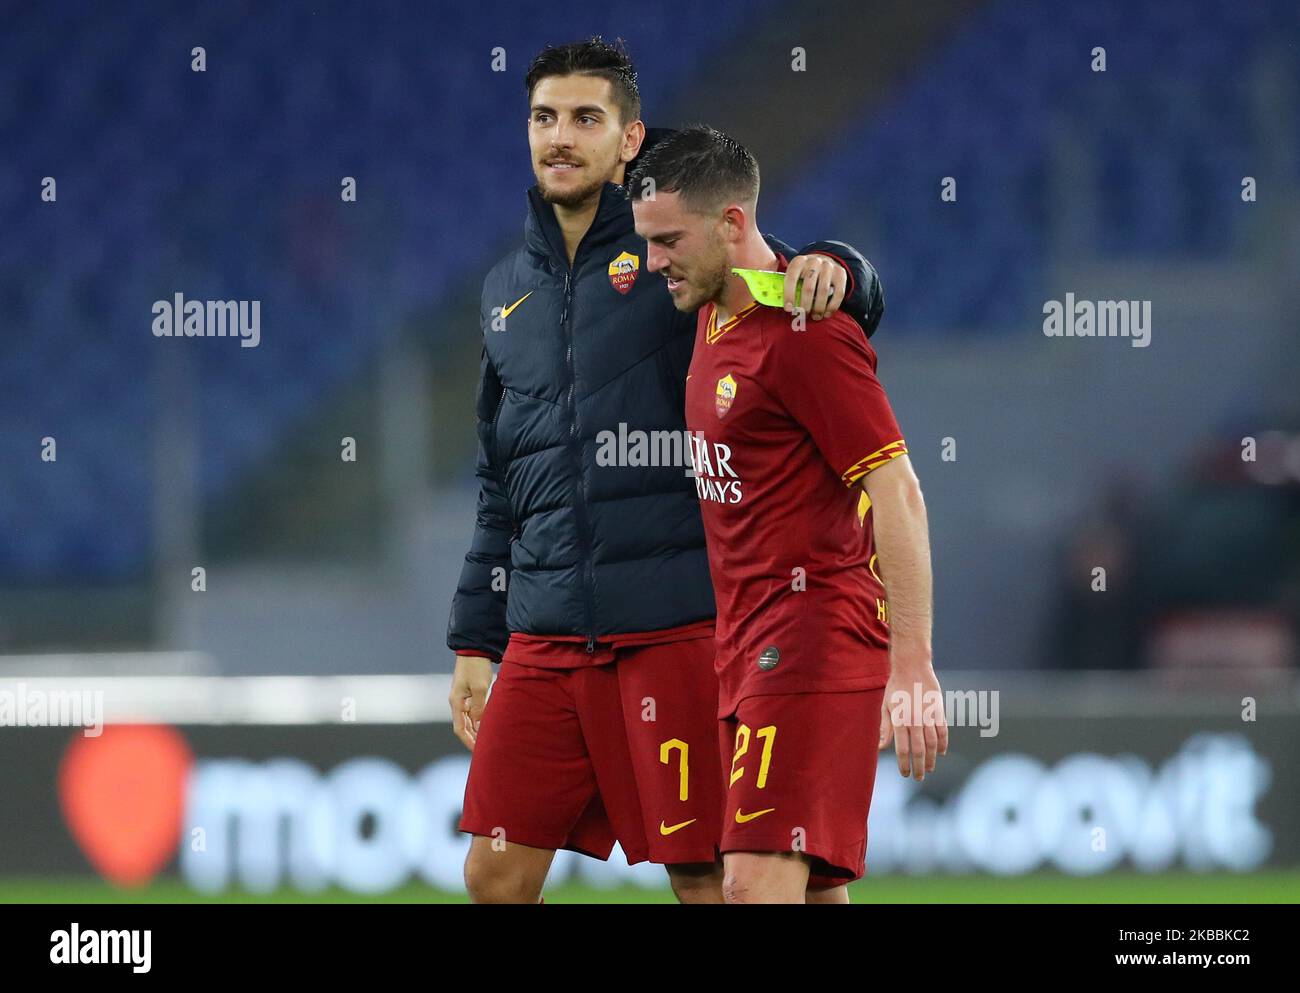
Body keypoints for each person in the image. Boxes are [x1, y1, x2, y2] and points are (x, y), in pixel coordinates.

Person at [446, 39, 885, 904]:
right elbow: (501, 476)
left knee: (709, 876)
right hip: (545, 625)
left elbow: (786, 279)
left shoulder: (671, 252)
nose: (559, 138)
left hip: (679, 618)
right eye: (543, 118)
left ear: (630, 140)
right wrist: (473, 636)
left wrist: (840, 265)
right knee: (494, 870)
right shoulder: (504, 292)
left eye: (585, 118)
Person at [629, 125, 946, 904]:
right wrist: (838, 259)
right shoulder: (713, 310)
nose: (652, 261)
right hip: (744, 642)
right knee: (804, 889)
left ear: (732, 223)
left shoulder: (805, 334)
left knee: (750, 884)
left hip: (814, 635)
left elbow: (898, 490)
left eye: (668, 240)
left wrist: (913, 668)